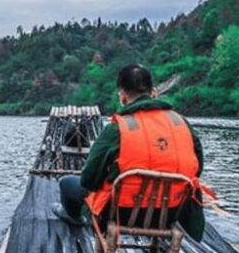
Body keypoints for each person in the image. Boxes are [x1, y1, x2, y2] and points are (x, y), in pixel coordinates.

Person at [51, 63, 206, 240]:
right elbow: (197, 169)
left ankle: (75, 218)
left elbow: (89, 180)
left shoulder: (117, 129)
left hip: (120, 213)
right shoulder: (182, 124)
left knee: (67, 183)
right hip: (171, 213)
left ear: (123, 97)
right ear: (154, 93)